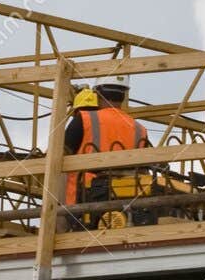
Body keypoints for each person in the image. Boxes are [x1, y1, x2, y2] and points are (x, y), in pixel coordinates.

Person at [63, 81, 151, 225]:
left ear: (97, 95)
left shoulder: (85, 119)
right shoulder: (140, 129)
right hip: (129, 203)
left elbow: (59, 156)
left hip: (85, 199)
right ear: (123, 96)